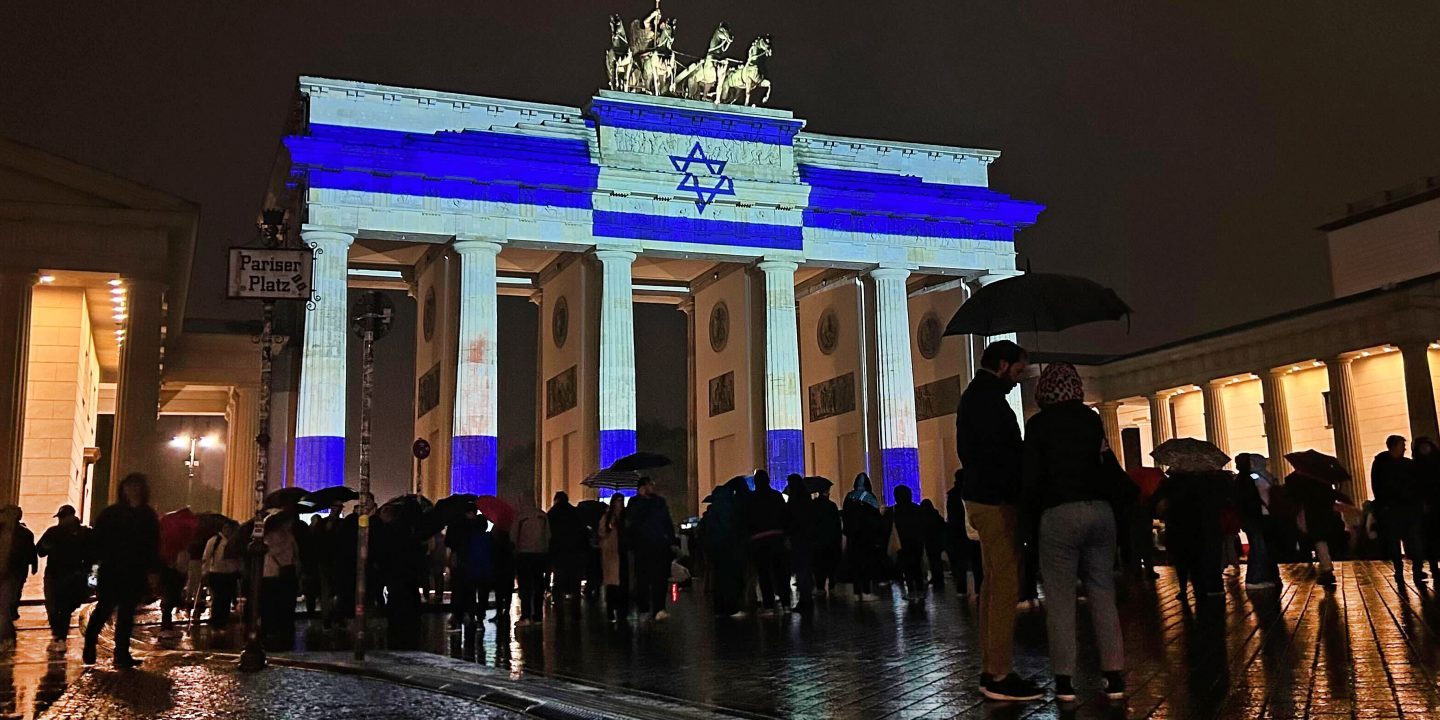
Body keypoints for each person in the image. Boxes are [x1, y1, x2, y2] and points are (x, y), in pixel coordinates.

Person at [1021, 362, 1126, 702]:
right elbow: (1105, 464)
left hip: (1059, 513)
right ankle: (1114, 675)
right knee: (1102, 593)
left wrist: (1028, 522)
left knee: (1061, 599)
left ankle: (1065, 681)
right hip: (1099, 510)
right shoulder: (1091, 419)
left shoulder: (1037, 426)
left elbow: (1032, 478)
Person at [956, 339, 1042, 702]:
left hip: (980, 495)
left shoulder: (977, 396)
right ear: (1003, 364)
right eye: (1019, 371)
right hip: (996, 499)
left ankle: (993, 667)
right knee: (1005, 583)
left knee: (994, 584)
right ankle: (999, 674)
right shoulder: (990, 401)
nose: (1019, 379)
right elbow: (1003, 454)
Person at [83, 473, 160, 668]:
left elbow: (153, 544)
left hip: (135, 570)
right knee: (104, 608)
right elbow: (97, 542)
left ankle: (122, 653)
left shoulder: (148, 515)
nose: (133, 490)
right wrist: (94, 569)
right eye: (130, 486)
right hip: (112, 568)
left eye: (137, 486)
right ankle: (90, 643)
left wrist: (152, 570)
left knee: (127, 613)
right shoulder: (111, 514)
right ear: (123, 489)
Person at [1153, 461, 1228, 601]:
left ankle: (1183, 589)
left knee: (1181, 561)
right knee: (1196, 562)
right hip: (1197, 527)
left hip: (1177, 525)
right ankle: (1200, 589)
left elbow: (1157, 505)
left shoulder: (1169, 485)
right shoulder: (1202, 484)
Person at [1372, 435, 1427, 584]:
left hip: (1405, 509)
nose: (1404, 448)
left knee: (1409, 541)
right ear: (1394, 446)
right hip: (1395, 510)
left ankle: (1413, 569)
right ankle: (1405, 570)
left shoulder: (1385, 464)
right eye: (1402, 445)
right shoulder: (1384, 464)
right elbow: (1377, 487)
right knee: (1400, 541)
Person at [1286, 468, 1351, 588]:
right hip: (1321, 516)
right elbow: (1329, 498)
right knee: (1320, 542)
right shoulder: (1321, 481)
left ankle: (1326, 569)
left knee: (1319, 542)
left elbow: (1293, 496)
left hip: (1312, 516)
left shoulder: (1300, 481)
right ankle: (1326, 568)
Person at [37, 505, 90, 642]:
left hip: (58, 574)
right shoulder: (83, 533)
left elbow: (41, 550)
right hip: (70, 574)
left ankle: (59, 634)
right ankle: (59, 634)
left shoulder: (55, 532)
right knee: (63, 605)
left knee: (56, 604)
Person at [625, 476, 675, 620]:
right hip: (643, 545)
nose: (653, 487)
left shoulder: (659, 502)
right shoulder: (636, 503)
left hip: (658, 544)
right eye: (650, 484)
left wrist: (670, 540)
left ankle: (659, 608)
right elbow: (632, 522)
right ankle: (645, 608)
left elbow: (667, 521)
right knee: (643, 579)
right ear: (643, 487)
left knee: (659, 578)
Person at [745, 470, 790, 615]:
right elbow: (785, 517)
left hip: (759, 540)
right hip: (777, 538)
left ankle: (769, 605)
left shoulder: (751, 499)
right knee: (780, 573)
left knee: (764, 575)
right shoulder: (777, 496)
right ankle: (786, 603)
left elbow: (747, 520)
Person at [1233, 454, 1280, 589]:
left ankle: (1265, 576)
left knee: (1262, 547)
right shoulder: (1252, 478)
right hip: (1256, 517)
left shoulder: (1245, 478)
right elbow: (1252, 498)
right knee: (1259, 548)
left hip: (1256, 517)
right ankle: (1256, 578)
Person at [700, 482, 746, 617]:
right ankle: (731, 607)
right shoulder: (727, 506)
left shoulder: (714, 509)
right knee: (729, 577)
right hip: (727, 545)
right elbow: (729, 526)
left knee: (719, 579)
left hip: (715, 547)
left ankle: (719, 608)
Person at [446, 507, 493, 627]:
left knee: (459, 589)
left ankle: (458, 616)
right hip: (476, 564)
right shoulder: (480, 530)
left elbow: (451, 542)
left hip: (462, 561)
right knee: (473, 590)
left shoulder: (456, 524)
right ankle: (473, 616)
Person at [842, 473, 883, 602]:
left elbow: (845, 516)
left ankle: (856, 592)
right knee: (866, 564)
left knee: (855, 564)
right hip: (866, 538)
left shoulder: (849, 497)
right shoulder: (869, 498)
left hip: (853, 537)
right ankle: (866, 591)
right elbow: (876, 518)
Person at [512, 495, 550, 627]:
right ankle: (538, 616)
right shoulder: (543, 516)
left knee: (525, 586)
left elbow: (513, 536)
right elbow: (548, 536)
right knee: (538, 585)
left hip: (524, 554)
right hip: (540, 554)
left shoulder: (521, 517)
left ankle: (526, 616)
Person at [784, 474, 819, 615]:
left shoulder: (792, 503)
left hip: (797, 540)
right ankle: (807, 598)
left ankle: (804, 600)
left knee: (801, 571)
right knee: (806, 570)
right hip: (808, 539)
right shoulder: (807, 502)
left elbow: (789, 521)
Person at [946, 471, 984, 597]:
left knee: (961, 563)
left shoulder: (952, 495)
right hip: (973, 532)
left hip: (959, 534)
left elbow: (952, 516)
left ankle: (961, 589)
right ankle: (979, 588)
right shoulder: (972, 492)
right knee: (977, 562)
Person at [888, 485, 927, 605]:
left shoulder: (894, 511)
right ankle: (920, 590)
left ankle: (911, 591)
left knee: (907, 568)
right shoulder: (917, 508)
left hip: (902, 542)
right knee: (917, 567)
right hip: (917, 542)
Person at [200, 520, 242, 627]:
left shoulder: (235, 542)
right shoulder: (214, 541)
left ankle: (222, 621)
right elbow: (206, 557)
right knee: (219, 598)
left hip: (230, 573)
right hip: (216, 573)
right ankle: (216, 621)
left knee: (226, 599)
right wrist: (205, 571)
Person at [547, 492, 586, 601]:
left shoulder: (552, 513)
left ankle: (559, 609)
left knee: (559, 580)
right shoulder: (575, 512)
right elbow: (582, 532)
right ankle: (576, 610)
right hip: (575, 551)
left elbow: (548, 533)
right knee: (575, 581)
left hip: (558, 552)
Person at [597, 494, 629, 623]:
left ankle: (621, 609)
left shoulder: (625, 517)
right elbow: (602, 532)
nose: (619, 504)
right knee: (612, 583)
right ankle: (611, 610)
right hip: (611, 552)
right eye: (618, 501)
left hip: (622, 551)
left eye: (621, 501)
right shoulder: (608, 518)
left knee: (622, 581)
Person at [1415, 437, 1440, 578]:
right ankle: (1433, 566)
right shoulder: (1417, 466)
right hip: (1428, 507)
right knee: (1430, 537)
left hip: (1433, 505)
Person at [813, 485, 843, 597]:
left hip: (818, 541)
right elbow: (836, 525)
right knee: (832, 564)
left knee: (819, 565)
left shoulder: (813, 505)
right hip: (831, 541)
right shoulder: (832, 506)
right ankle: (832, 585)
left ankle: (820, 587)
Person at [919, 499, 947, 592]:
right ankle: (939, 578)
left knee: (932, 560)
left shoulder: (922, 516)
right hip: (937, 542)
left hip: (928, 542)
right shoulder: (935, 515)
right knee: (937, 560)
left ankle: (935, 578)